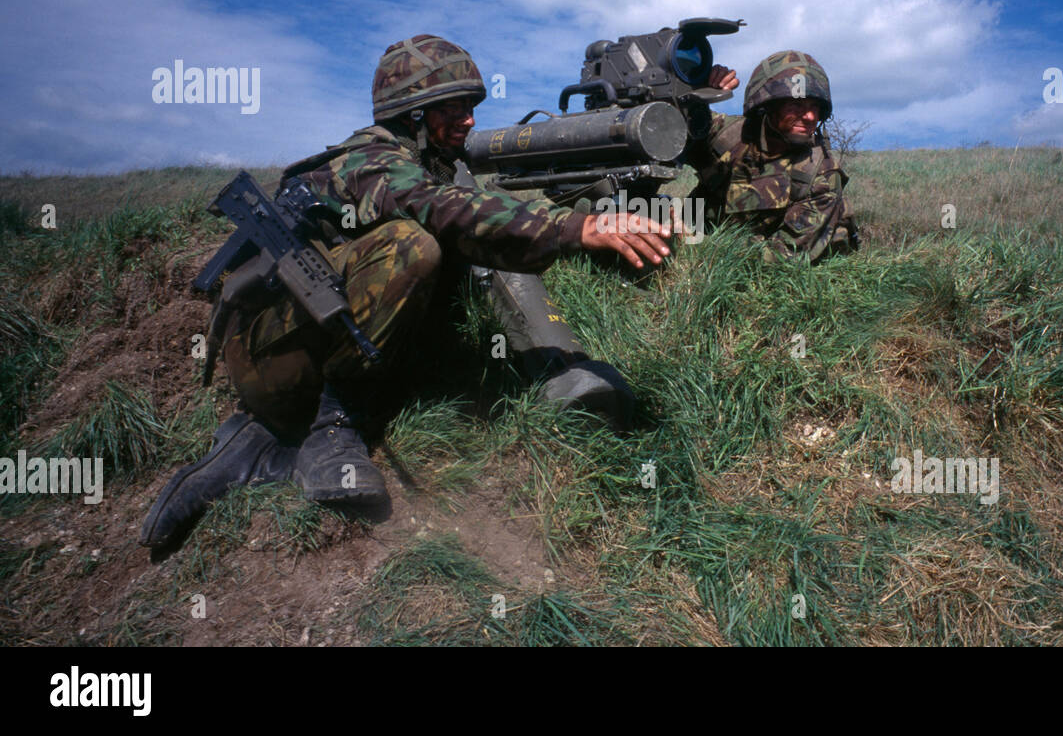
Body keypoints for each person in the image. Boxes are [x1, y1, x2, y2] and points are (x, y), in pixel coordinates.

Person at [141, 34, 672, 550]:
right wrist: (571, 228)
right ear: (412, 114)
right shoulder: (368, 161)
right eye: (454, 107)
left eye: (471, 106)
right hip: (271, 360)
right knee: (412, 246)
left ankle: (275, 440)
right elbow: (440, 209)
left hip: (325, 344)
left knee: (453, 249)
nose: (468, 119)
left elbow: (479, 222)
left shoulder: (429, 167)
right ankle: (330, 427)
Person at [683, 50, 859, 263]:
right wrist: (696, 86)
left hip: (755, 263)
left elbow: (782, 256)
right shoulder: (726, 135)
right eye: (796, 105)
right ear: (767, 106)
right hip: (702, 235)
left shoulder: (821, 174)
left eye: (815, 107)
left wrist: (703, 248)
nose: (811, 116)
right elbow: (664, 124)